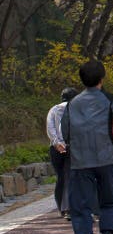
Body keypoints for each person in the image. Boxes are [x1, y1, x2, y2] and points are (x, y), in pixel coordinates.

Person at [61, 60, 113, 234]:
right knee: (109, 200)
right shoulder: (110, 99)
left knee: (80, 205)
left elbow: (65, 130)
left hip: (80, 160)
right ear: (102, 78)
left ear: (81, 80)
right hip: (107, 157)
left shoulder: (73, 103)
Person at [47, 87, 78, 221]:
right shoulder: (76, 109)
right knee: (70, 176)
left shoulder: (54, 109)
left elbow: (50, 128)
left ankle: (61, 207)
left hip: (56, 149)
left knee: (60, 177)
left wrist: (56, 142)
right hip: (72, 146)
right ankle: (69, 208)